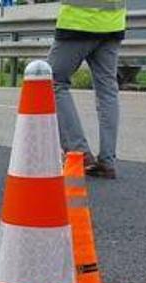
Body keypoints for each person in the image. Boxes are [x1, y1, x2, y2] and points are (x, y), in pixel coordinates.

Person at [47, 0, 127, 179]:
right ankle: (107, 161)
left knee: (51, 82)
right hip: (112, 23)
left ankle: (79, 153)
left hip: (79, 22)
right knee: (107, 90)